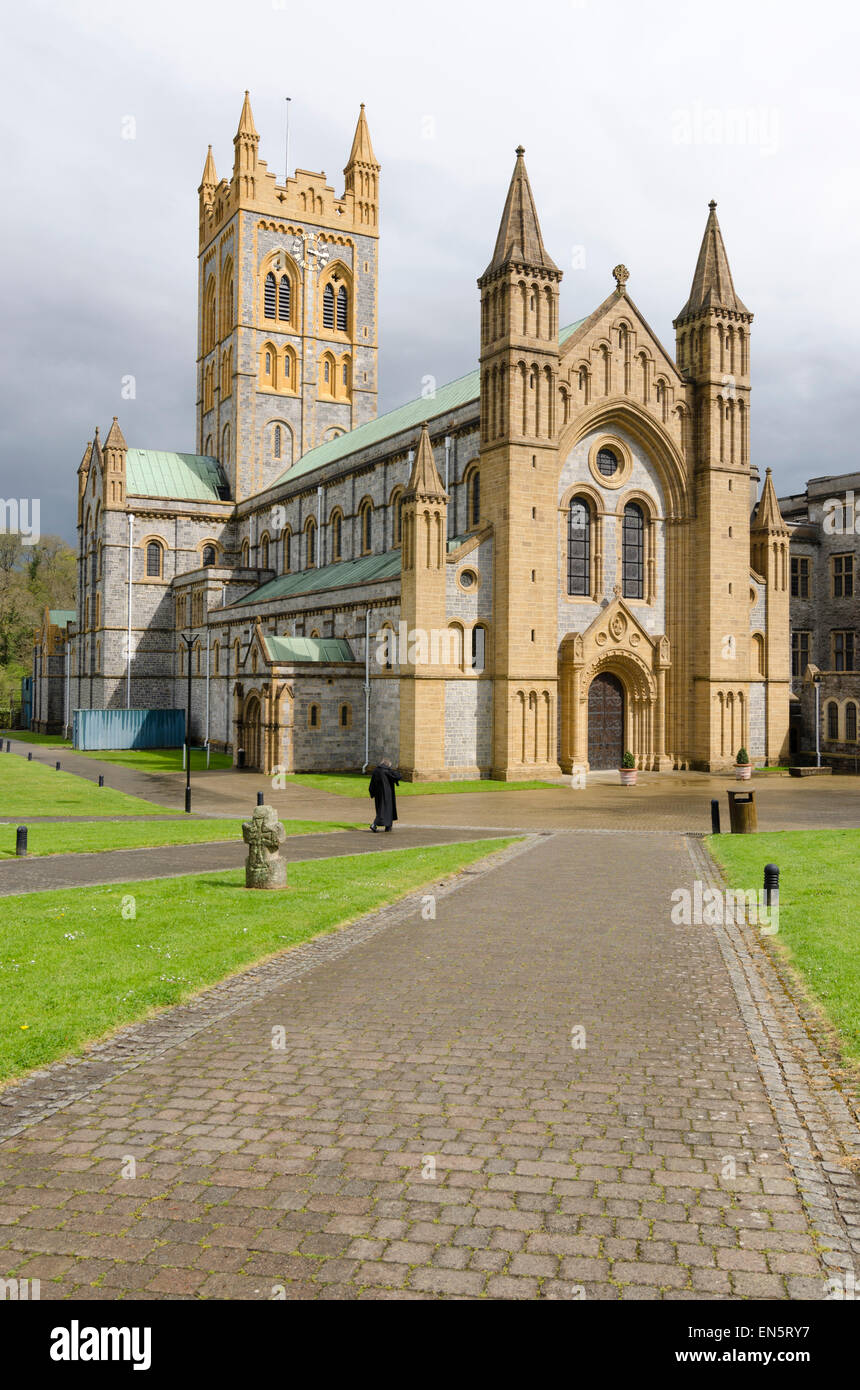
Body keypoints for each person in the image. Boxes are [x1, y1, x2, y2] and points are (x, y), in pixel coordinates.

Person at [368, 756, 400, 832]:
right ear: (387, 764)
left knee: (381, 809)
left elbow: (372, 783)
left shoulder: (376, 770)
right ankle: (374, 824)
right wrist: (391, 770)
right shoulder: (387, 771)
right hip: (387, 794)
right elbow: (398, 776)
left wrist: (372, 792)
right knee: (385, 810)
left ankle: (388, 826)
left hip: (378, 794)